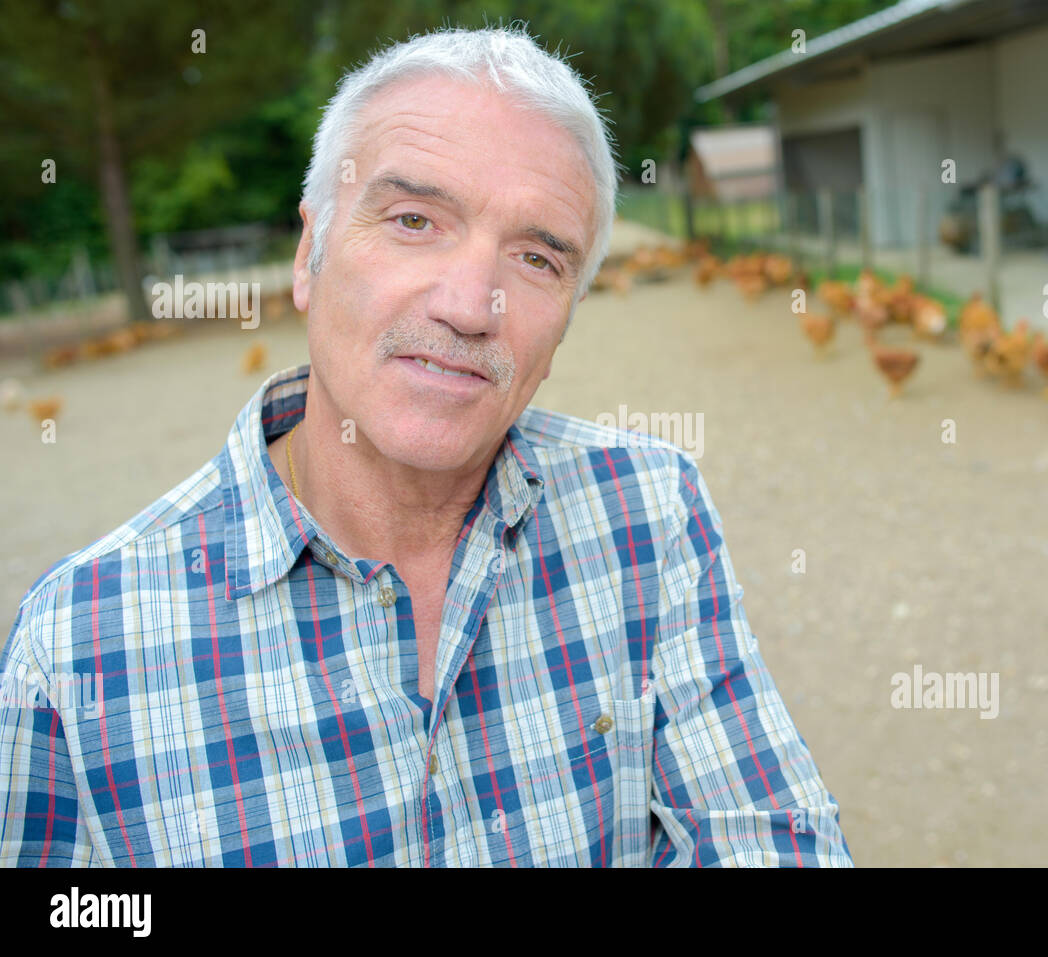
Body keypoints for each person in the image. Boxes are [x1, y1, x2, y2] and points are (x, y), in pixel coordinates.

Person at [0, 25, 853, 867]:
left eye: (536, 258)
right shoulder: (77, 649)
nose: (469, 302)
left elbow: (772, 838)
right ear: (310, 253)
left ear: (566, 320)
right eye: (414, 219)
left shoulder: (649, 508)